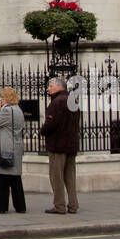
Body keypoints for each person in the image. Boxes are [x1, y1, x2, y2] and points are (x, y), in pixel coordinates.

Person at [41, 76, 80, 214]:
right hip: (72, 144)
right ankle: (73, 205)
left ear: (59, 87)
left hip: (58, 145)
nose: (48, 89)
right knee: (70, 177)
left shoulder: (56, 102)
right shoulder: (72, 100)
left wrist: (42, 131)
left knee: (56, 177)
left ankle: (59, 205)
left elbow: (51, 123)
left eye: (51, 86)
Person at [0, 86, 26, 214]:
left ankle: (1, 207)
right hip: (15, 147)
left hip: (5, 149)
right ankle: (20, 206)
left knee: (2, 180)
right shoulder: (18, 110)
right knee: (15, 180)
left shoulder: (7, 111)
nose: (0, 100)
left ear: (7, 98)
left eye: (2, 97)